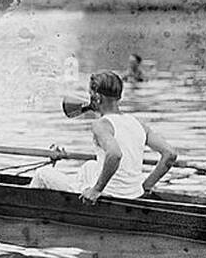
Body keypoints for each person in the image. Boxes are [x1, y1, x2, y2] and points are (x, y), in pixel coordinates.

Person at [30, 70, 177, 202]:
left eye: (90, 94)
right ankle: (78, 188)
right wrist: (145, 186)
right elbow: (170, 154)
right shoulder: (137, 124)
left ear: (97, 97)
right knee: (90, 166)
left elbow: (114, 154)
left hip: (108, 195)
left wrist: (96, 190)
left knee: (41, 173)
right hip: (133, 194)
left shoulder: (100, 125)